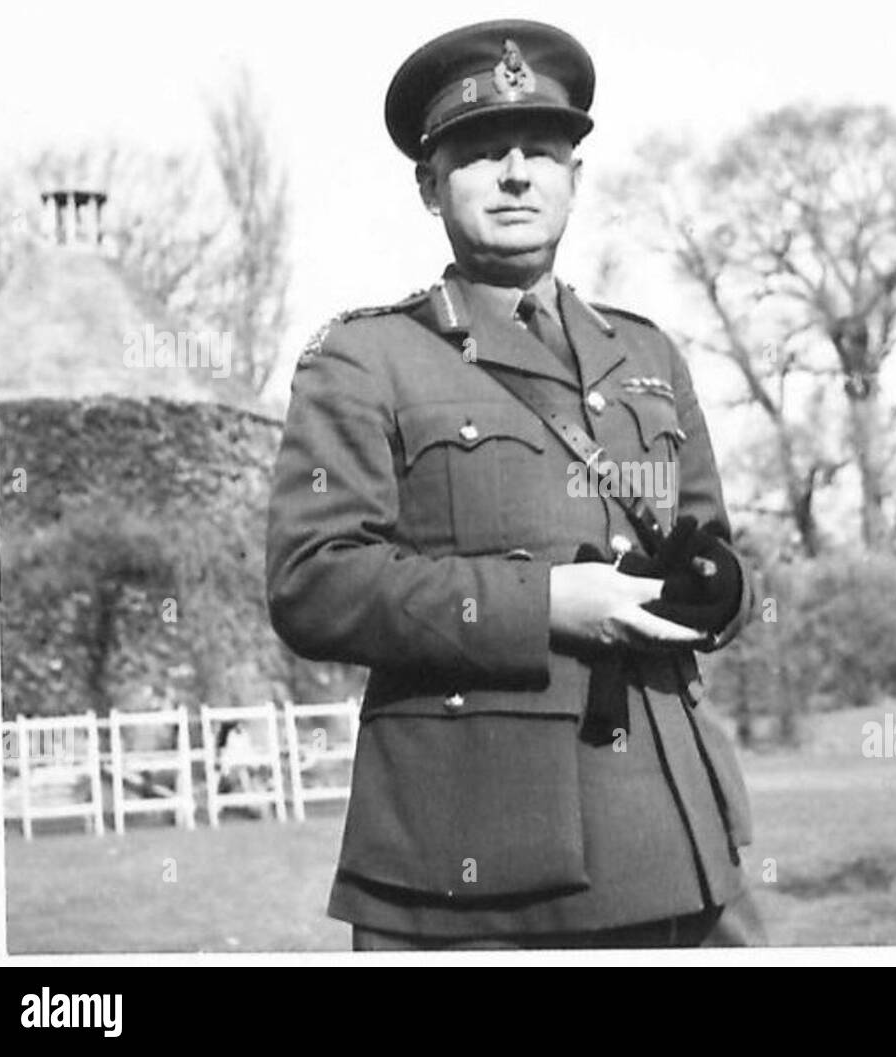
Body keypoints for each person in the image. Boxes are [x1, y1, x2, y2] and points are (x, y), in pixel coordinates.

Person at [265, 18, 765, 949]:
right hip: (477, 861)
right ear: (429, 184)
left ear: (575, 177)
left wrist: (725, 590)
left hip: (680, 843)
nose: (515, 174)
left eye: (541, 150)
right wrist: (545, 603)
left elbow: (719, 547)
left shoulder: (647, 353)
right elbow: (314, 583)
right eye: (480, 153)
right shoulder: (365, 360)